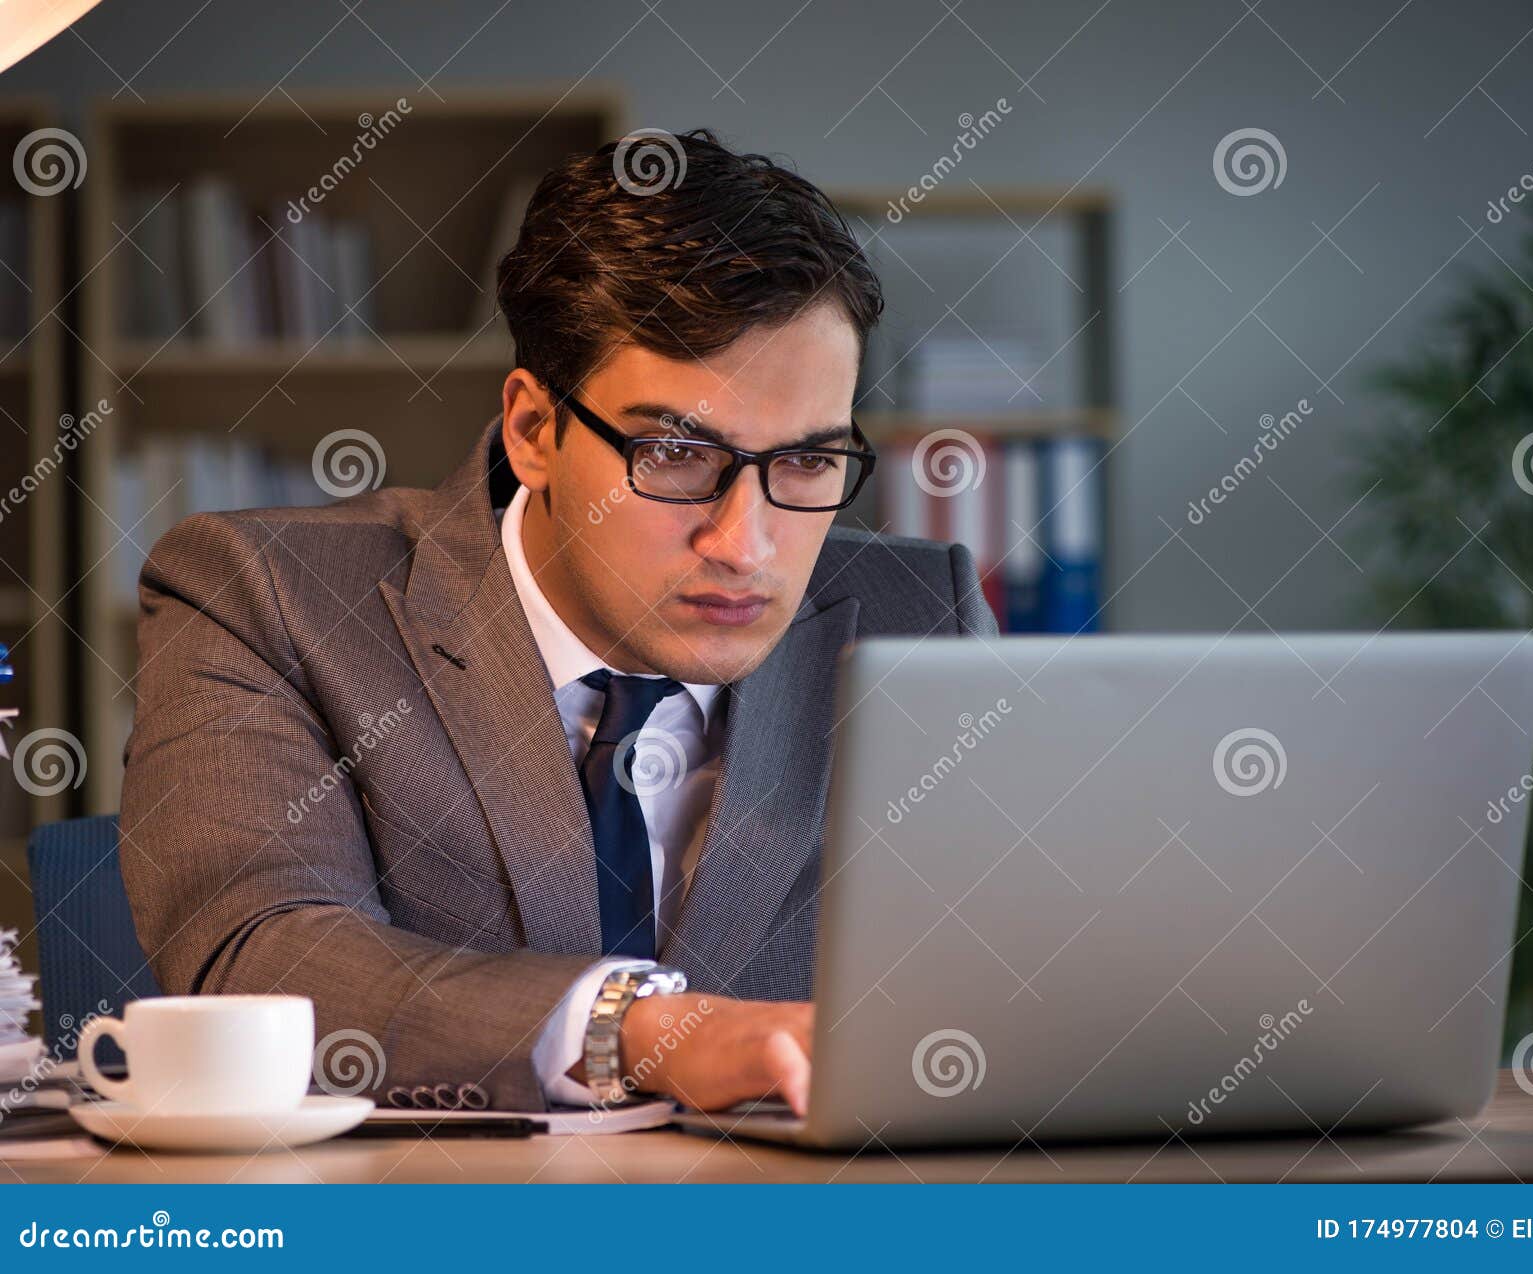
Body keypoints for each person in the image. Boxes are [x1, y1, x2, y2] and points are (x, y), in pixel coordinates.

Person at [120, 128, 996, 1115]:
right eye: (674, 454)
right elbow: (257, 952)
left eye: (805, 461)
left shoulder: (916, 621)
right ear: (536, 430)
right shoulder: (264, 596)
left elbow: (1030, 962)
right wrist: (643, 1030)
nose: (744, 544)